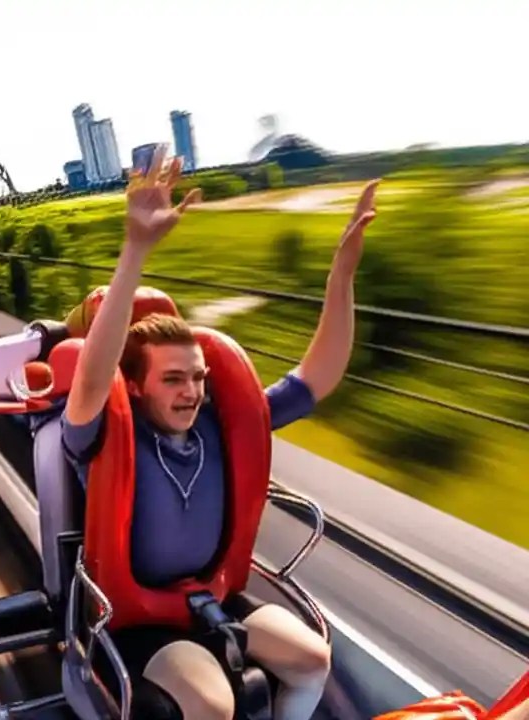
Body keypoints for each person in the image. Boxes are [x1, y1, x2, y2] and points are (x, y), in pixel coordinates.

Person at [61, 145, 379, 720]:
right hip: (139, 617)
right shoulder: (104, 435)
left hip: (217, 596)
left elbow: (318, 376)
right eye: (174, 379)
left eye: (199, 378)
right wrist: (135, 250)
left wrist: (342, 275)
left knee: (311, 657)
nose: (192, 392)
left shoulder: (216, 422)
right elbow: (91, 378)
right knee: (214, 705)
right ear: (135, 386)